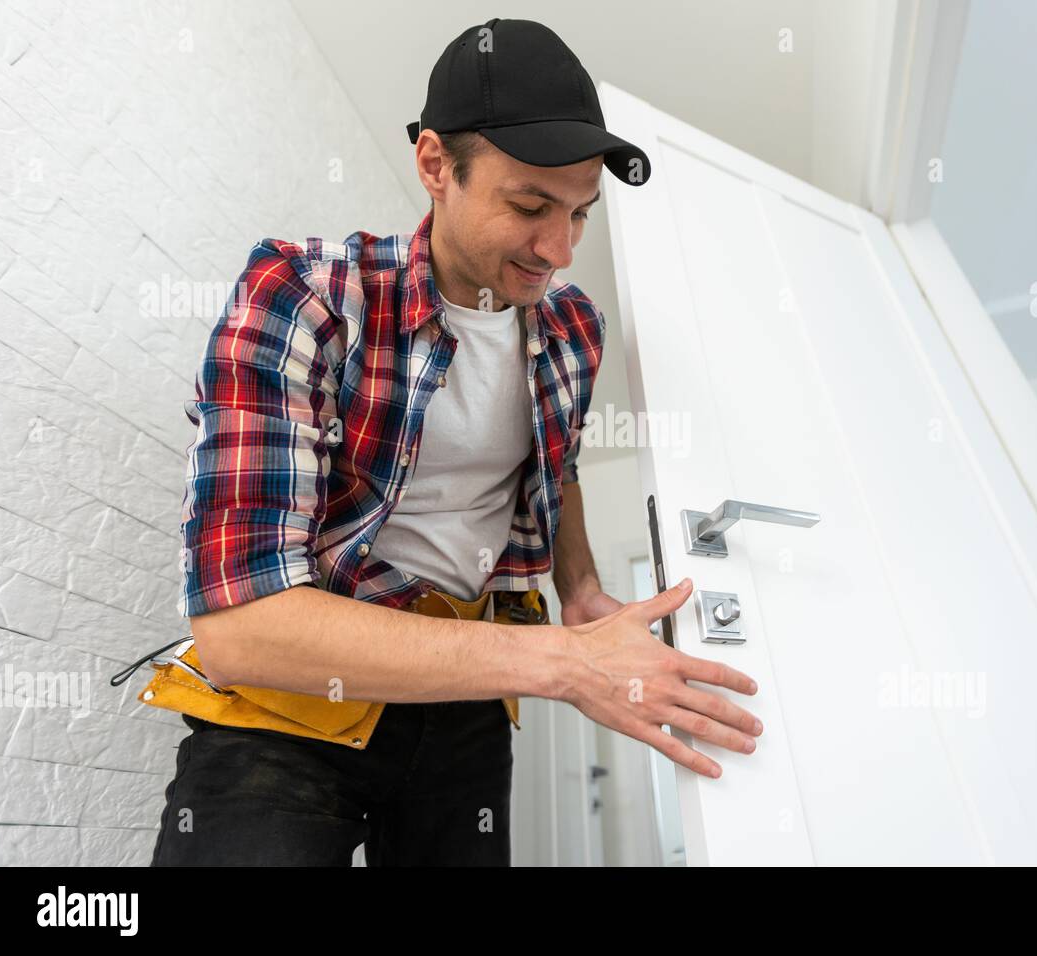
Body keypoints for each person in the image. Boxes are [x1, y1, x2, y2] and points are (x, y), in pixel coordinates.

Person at [145, 17, 761, 866]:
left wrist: (578, 589)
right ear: (435, 165)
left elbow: (559, 462)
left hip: (466, 699)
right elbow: (243, 629)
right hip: (287, 706)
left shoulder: (574, 330)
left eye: (580, 213)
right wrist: (565, 662)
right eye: (531, 206)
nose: (560, 250)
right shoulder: (307, 296)